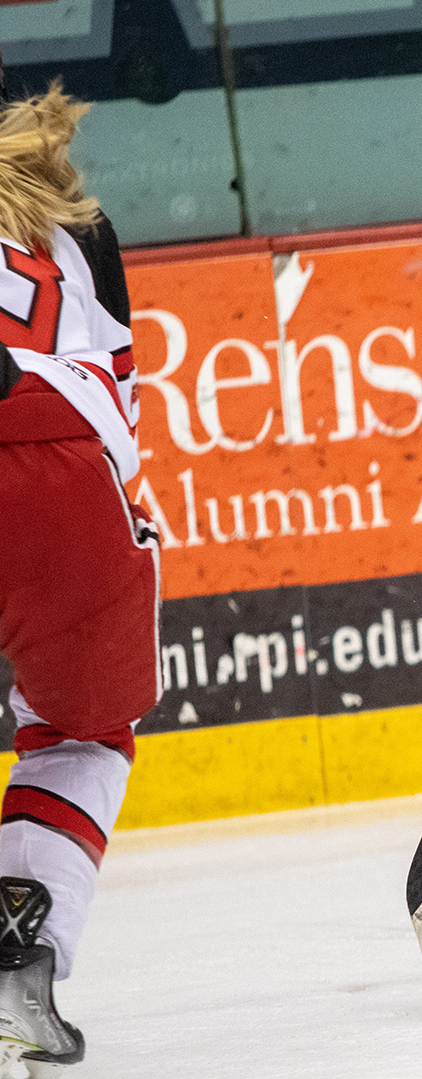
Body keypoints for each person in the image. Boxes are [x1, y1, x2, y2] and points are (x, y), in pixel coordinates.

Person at [0, 84, 147, 1074]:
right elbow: (122, 408)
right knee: (82, 733)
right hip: (73, 478)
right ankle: (21, 954)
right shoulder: (79, 228)